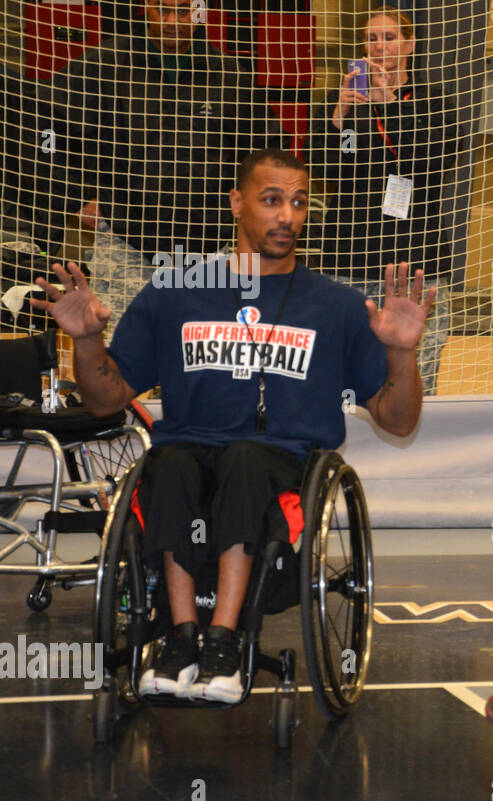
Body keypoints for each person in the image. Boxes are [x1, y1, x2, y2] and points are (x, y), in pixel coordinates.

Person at [31, 149, 434, 703]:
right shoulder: (175, 292)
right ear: (236, 203)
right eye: (272, 201)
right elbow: (106, 401)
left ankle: (224, 641)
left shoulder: (337, 306)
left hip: (283, 465)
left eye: (298, 202)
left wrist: (401, 355)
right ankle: (180, 638)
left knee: (245, 458)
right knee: (166, 462)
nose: (287, 216)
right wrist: (86, 339)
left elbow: (399, 418)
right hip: (190, 454)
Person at [49, 0, 286, 334]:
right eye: (163, 9)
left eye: (184, 10)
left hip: (209, 253)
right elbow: (46, 126)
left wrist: (249, 207)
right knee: (120, 366)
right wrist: (73, 201)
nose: (173, 20)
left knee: (204, 367)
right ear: (146, 7)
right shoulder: (103, 64)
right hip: (127, 248)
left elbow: (268, 151)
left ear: (199, 12)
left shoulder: (228, 73)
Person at [305, 6, 453, 392]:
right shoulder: (348, 105)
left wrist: (389, 105)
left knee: (414, 378)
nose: (379, 46)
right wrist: (340, 112)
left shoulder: (432, 102)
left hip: (412, 262)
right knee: (342, 378)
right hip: (349, 257)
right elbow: (322, 166)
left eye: (388, 38)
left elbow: (428, 165)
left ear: (409, 46)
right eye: (371, 39)